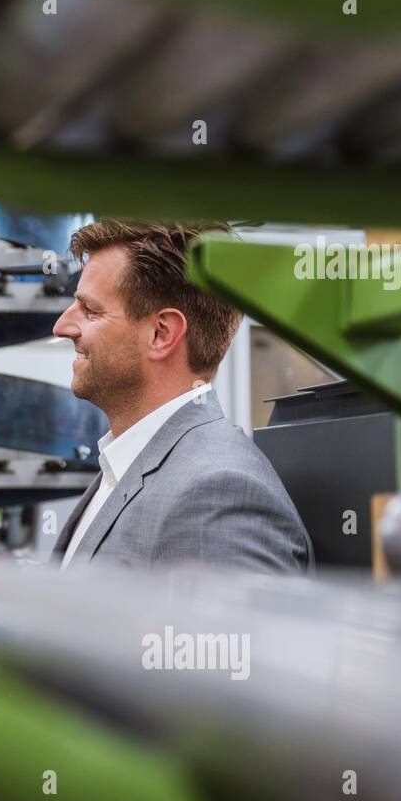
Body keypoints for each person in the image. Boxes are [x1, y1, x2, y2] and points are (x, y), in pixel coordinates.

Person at [51, 219, 312, 573]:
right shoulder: (127, 467)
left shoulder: (218, 494)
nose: (62, 327)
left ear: (161, 333)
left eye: (90, 310)